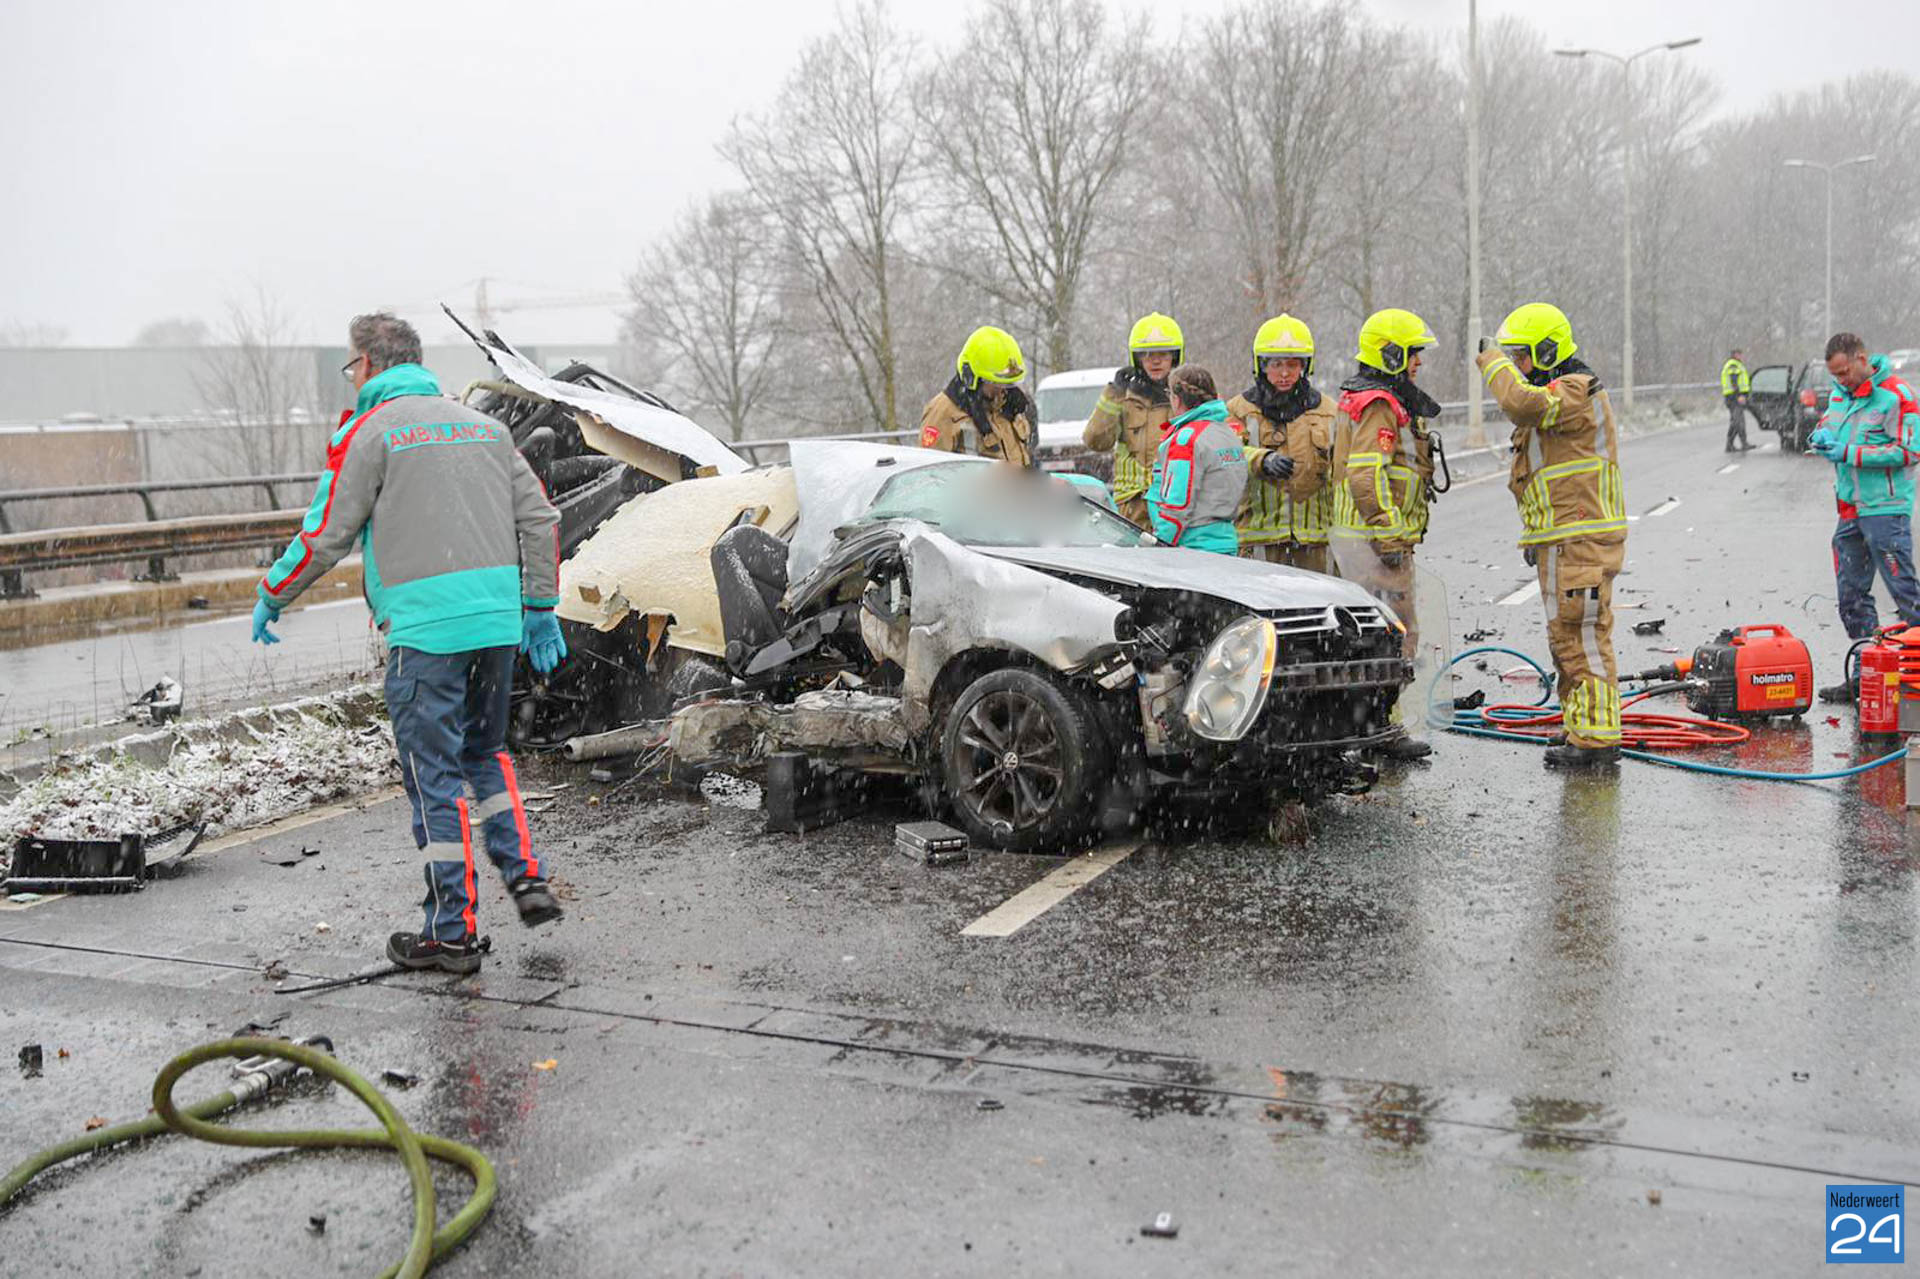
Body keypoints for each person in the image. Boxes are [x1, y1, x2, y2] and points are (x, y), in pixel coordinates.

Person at [251, 312, 566, 974]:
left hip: (426, 637)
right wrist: (539, 605)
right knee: (486, 753)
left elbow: (328, 532)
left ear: (368, 365)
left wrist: (274, 593)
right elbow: (540, 517)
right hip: (498, 629)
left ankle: (451, 931)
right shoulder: (482, 427)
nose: (351, 377)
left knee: (434, 779)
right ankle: (526, 876)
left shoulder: (371, 433)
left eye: (350, 365)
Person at [1476, 304, 1629, 768]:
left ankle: (1598, 740)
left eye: (1523, 357)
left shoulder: (1575, 389)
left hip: (1579, 538)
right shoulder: (1559, 393)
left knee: (1581, 635)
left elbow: (1520, 402)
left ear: (1546, 351)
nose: (1519, 367)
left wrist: (1493, 361)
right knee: (1565, 635)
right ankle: (1581, 727)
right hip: (1561, 537)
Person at [1330, 307, 1442, 761]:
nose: (1418, 362)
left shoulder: (1367, 397)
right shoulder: (1378, 404)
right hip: (1375, 545)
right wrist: (1391, 534)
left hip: (1359, 541)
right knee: (1393, 636)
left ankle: (1364, 726)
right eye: (1413, 354)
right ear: (1392, 354)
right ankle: (1378, 728)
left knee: (1365, 637)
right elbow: (1366, 477)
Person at [1807, 332, 1920, 702]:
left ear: (1861, 357)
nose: (1841, 381)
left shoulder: (1897, 395)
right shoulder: (1841, 395)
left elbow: (1909, 451)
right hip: (1850, 509)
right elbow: (1828, 422)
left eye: (1844, 372)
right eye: (1835, 375)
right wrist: (1820, 436)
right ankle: (1867, 674)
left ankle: (1914, 679)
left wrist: (1849, 452)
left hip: (1886, 511)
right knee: (1851, 598)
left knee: (1906, 598)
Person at [1226, 314, 1336, 572]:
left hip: (1315, 541)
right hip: (1260, 541)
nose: (1284, 373)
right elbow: (1226, 456)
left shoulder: (1329, 412)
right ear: (1261, 365)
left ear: (1305, 366)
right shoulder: (1238, 409)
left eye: (1292, 364)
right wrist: (1261, 460)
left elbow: (1345, 471)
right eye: (1275, 364)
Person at [1083, 312, 1181, 527]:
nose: (1155, 360)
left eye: (1162, 353)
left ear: (1175, 356)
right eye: (1147, 354)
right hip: (1133, 511)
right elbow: (1095, 441)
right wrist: (1113, 395)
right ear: (1136, 358)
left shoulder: (1186, 398)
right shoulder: (1123, 397)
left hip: (1176, 506)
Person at [1148, 364, 1246, 554]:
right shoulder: (1228, 433)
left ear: (1176, 399)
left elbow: (1178, 503)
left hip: (1193, 548)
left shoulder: (1187, 439)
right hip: (1227, 542)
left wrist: (1160, 543)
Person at [921, 326, 1035, 467]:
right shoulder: (943, 415)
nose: (1003, 390)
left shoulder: (1010, 408)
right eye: (996, 383)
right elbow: (930, 478)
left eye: (1009, 383)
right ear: (972, 378)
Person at [1721, 348, 1756, 452]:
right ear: (1734, 355)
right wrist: (1739, 395)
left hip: (1733, 397)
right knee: (1738, 421)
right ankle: (1742, 443)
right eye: (1739, 354)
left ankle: (1730, 445)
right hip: (1734, 397)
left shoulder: (1736, 364)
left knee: (1735, 422)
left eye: (1741, 354)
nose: (1741, 356)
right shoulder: (1733, 365)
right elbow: (1734, 380)